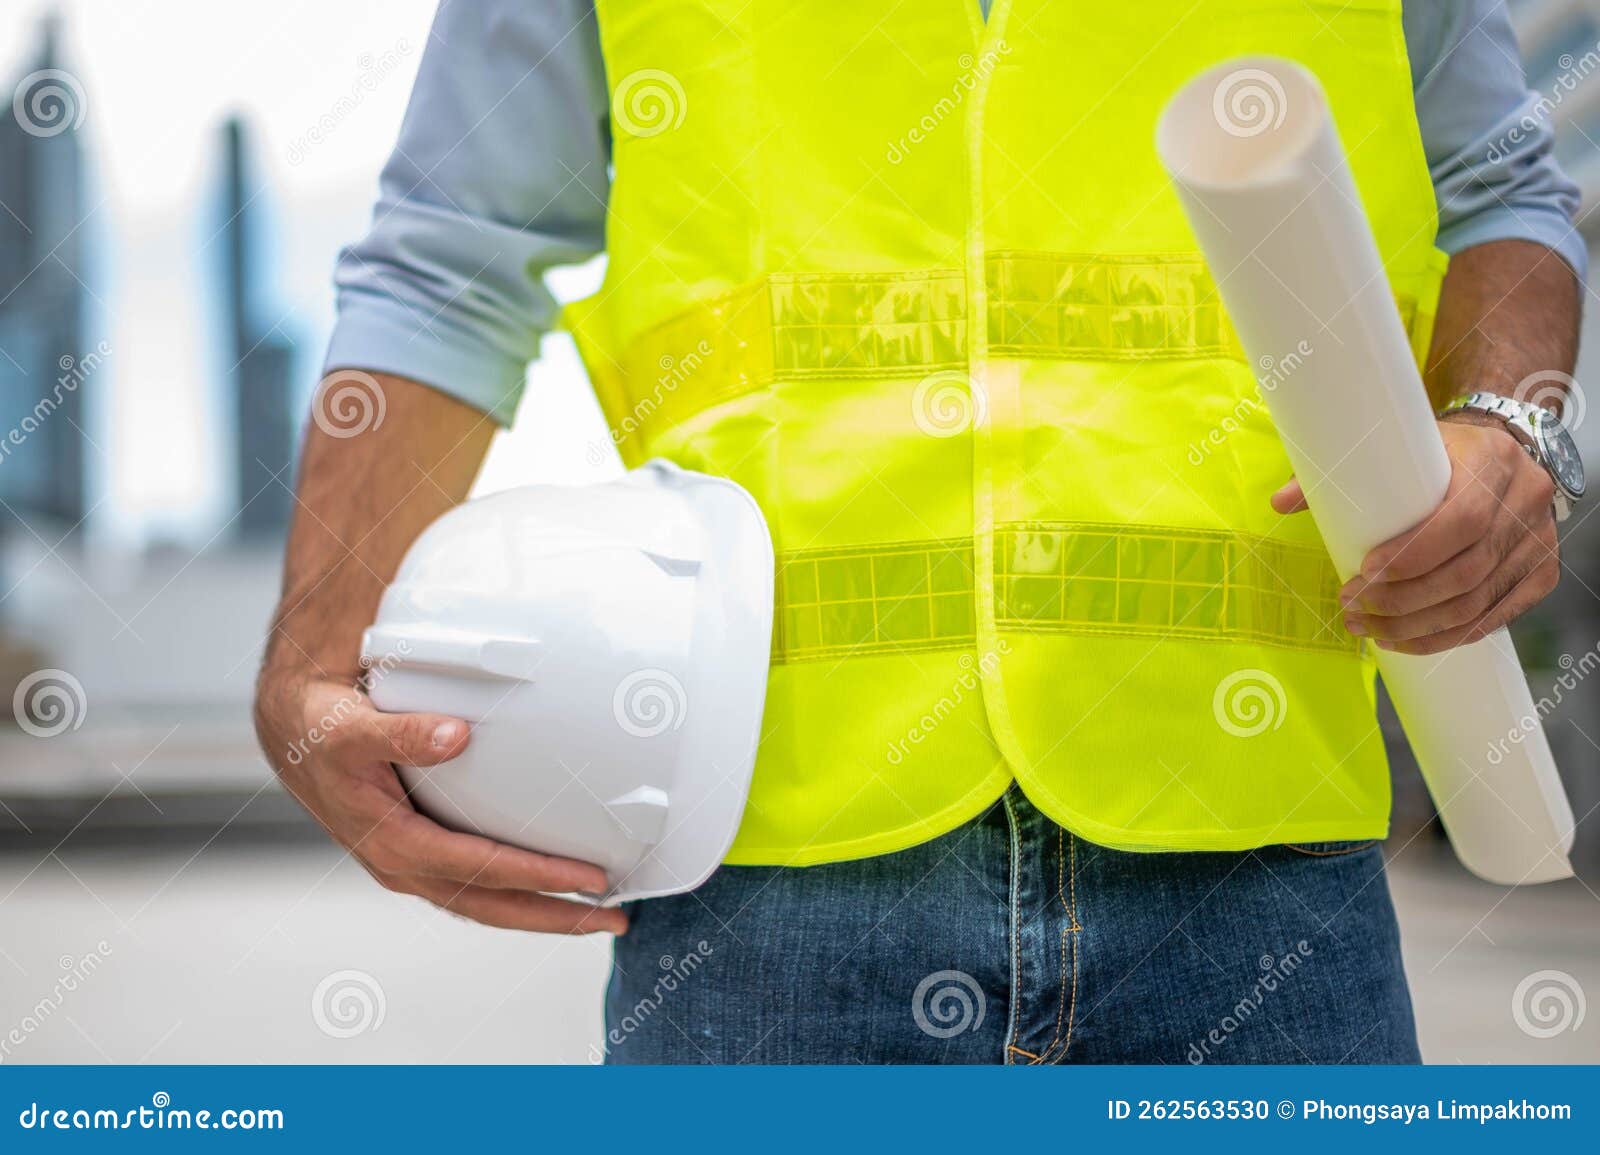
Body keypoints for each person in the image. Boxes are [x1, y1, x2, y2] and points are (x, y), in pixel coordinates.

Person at [254, 0, 1585, 1064]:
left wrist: (1509, 425)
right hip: (769, 872)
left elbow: (1498, 193)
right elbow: (446, 262)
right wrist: (315, 660)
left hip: (1253, 855)